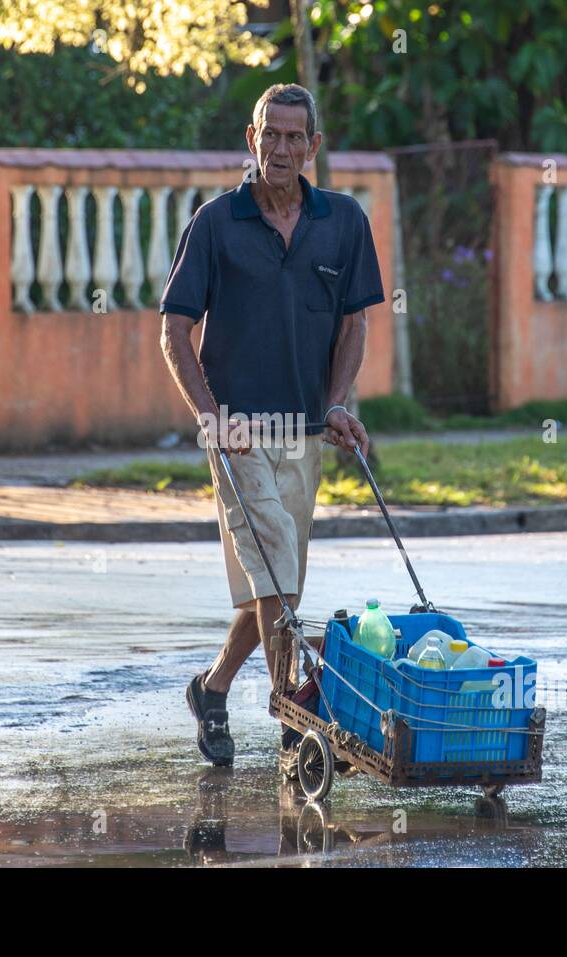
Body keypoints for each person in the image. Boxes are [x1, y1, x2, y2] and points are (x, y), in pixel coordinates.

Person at [158, 83, 385, 767]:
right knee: (278, 576)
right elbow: (173, 329)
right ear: (250, 139)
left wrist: (340, 401)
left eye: (294, 137)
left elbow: (354, 323)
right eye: (270, 135)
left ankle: (212, 687)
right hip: (238, 434)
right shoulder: (216, 222)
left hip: (307, 432)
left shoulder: (343, 221)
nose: (280, 148)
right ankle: (295, 717)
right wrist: (211, 418)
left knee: (278, 587)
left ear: (312, 146)